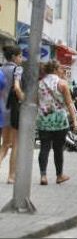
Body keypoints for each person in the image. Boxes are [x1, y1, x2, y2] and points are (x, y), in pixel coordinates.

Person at [36, 60, 77, 185]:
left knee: (44, 147)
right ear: (55, 69)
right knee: (58, 149)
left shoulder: (39, 83)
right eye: (60, 68)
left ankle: (43, 176)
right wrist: (75, 120)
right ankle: (59, 176)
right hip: (59, 121)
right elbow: (70, 104)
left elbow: (36, 101)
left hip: (43, 120)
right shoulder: (62, 84)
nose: (62, 71)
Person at [1, 45, 24, 184]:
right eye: (20, 56)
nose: (21, 59)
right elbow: (16, 87)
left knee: (5, 144)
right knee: (15, 144)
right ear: (14, 57)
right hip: (14, 110)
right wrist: (23, 98)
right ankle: (11, 176)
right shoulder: (17, 69)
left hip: (2, 110)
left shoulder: (1, 69)